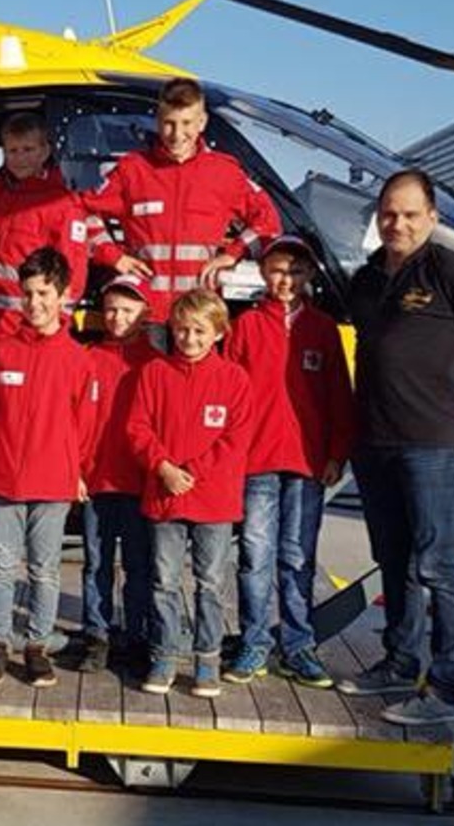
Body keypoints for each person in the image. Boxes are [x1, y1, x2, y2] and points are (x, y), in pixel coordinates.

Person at [338, 170, 454, 727]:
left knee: (439, 565)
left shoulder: (452, 271)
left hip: (430, 443)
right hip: (374, 439)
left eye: (410, 215)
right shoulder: (369, 278)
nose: (397, 223)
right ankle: (399, 661)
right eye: (389, 214)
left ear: (433, 219)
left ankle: (445, 688)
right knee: (392, 559)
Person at [224, 236, 356, 687]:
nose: (286, 280)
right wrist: (231, 454)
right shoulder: (244, 327)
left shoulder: (322, 330)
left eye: (296, 272)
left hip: (308, 461)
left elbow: (340, 397)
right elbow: (230, 397)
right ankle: (254, 642)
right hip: (257, 460)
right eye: (278, 270)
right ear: (263, 272)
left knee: (298, 556)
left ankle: (299, 646)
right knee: (255, 553)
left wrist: (337, 453)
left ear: (310, 275)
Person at [0, 248, 97, 688]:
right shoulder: (2, 353)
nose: (35, 302)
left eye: (44, 293)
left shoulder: (78, 359)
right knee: (2, 567)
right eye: (27, 293)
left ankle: (37, 646)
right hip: (5, 478)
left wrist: (80, 471)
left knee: (44, 570)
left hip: (53, 481)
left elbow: (87, 423)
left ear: (63, 294)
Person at [126, 287, 252, 697]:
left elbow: (235, 439)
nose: (190, 339)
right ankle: (163, 655)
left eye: (199, 331)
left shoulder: (234, 379)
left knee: (210, 583)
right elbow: (137, 427)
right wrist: (163, 467)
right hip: (165, 497)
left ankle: (207, 659)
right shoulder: (154, 374)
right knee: (163, 581)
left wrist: (191, 472)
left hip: (214, 501)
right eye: (181, 330)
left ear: (218, 333)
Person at [80, 77, 280, 320]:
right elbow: (80, 212)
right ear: (157, 121)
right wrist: (113, 256)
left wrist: (232, 254)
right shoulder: (133, 169)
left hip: (197, 316)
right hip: (144, 313)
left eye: (187, 123)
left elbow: (267, 222)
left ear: (202, 122)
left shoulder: (224, 172)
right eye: (169, 123)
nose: (177, 134)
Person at [0, 110, 106, 351]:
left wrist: (54, 331)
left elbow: (71, 275)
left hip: (24, 334)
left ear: (45, 151)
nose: (20, 158)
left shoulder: (60, 204)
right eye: (12, 151)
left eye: (28, 150)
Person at [80, 276, 159, 675]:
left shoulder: (154, 364)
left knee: (137, 564)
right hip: (96, 479)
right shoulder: (89, 357)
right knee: (96, 561)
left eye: (127, 310)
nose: (117, 317)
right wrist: (77, 468)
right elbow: (75, 420)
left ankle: (135, 635)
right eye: (111, 308)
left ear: (144, 315)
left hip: (137, 481)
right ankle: (96, 633)